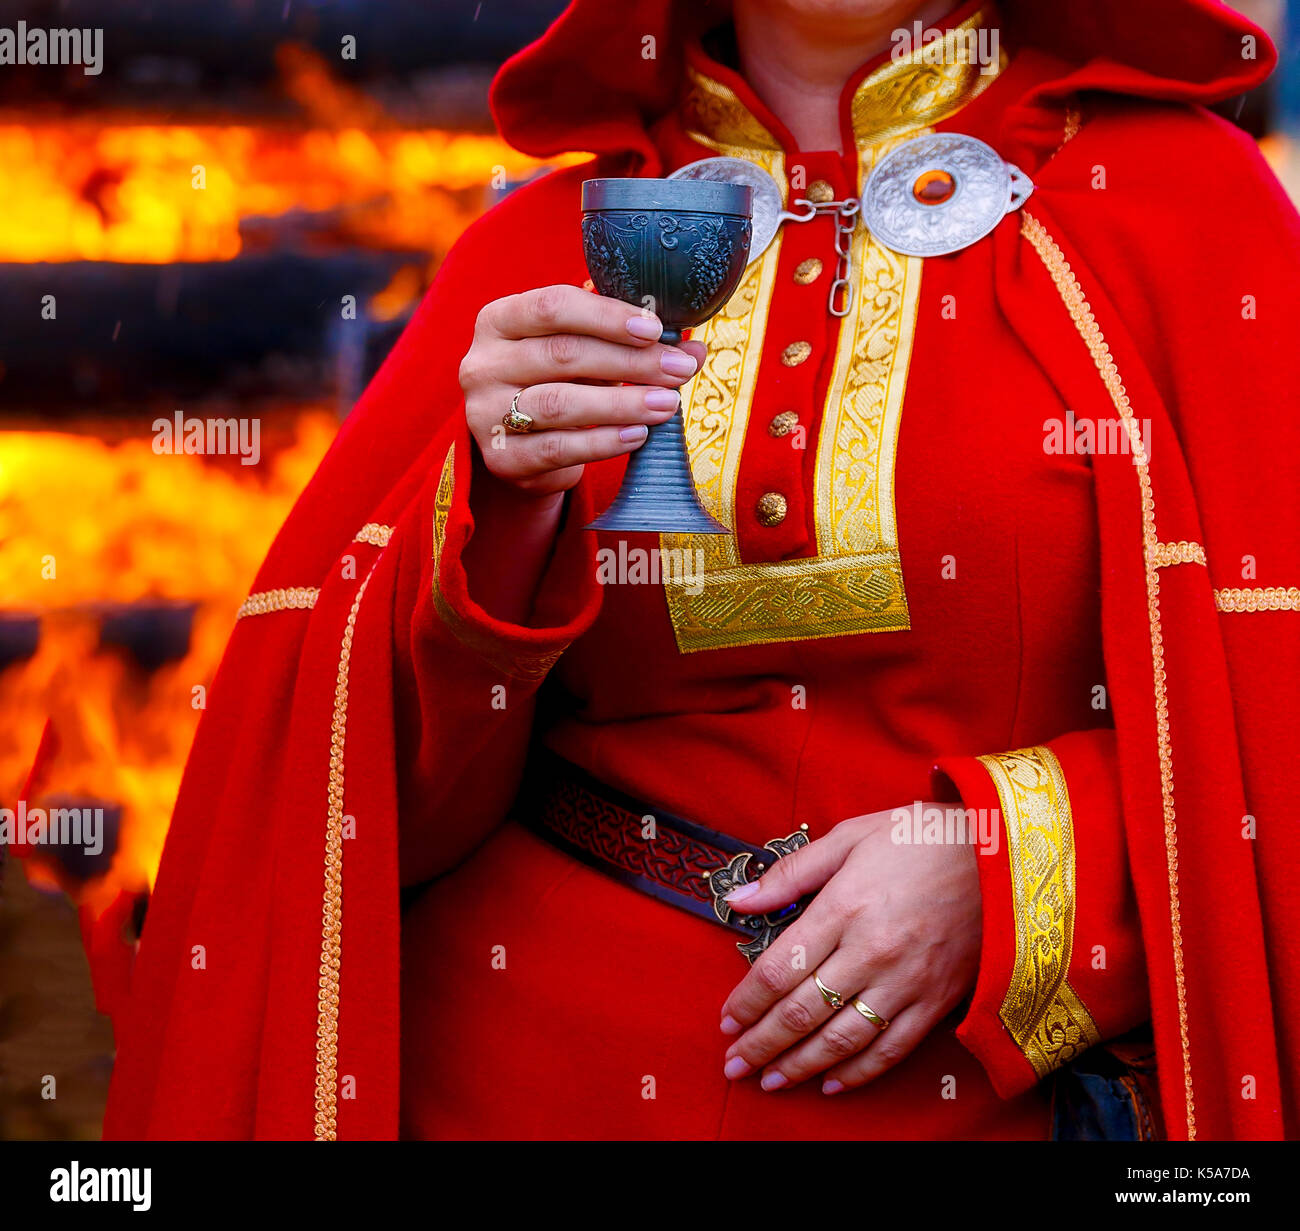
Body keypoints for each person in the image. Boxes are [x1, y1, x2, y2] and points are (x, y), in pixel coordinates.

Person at [102, 0, 1299, 1140]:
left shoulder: (1184, 211)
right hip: (509, 1088)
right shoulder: (533, 249)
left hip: (980, 1101)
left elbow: (1272, 720)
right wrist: (502, 498)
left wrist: (1019, 864)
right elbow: (345, 797)